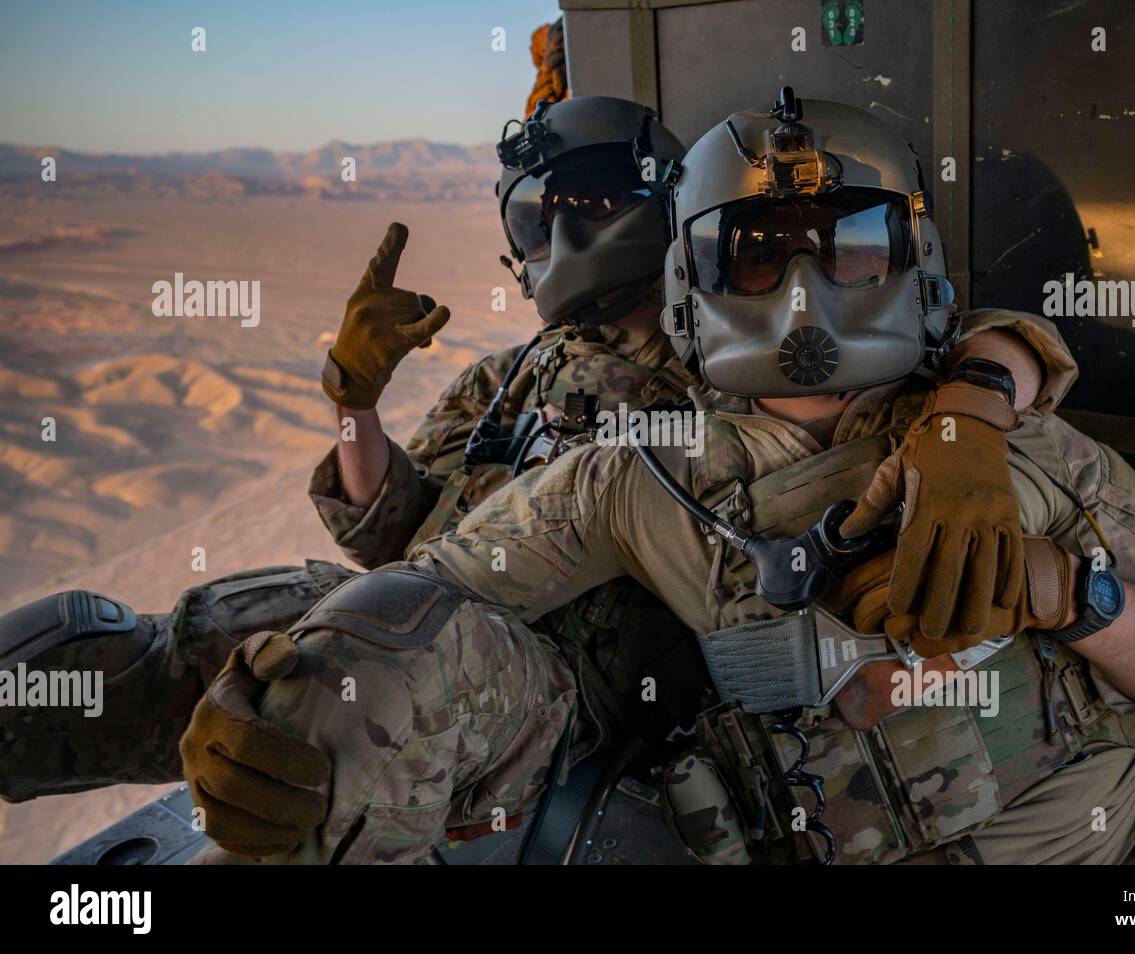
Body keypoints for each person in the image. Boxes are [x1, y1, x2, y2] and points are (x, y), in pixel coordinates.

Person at [176, 91, 1135, 866]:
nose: (804, 280)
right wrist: (320, 703)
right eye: (756, 248)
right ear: (690, 280)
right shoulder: (637, 480)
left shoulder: (1020, 448)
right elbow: (433, 592)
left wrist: (1073, 594)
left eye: (848, 243)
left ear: (912, 263)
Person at [0, 95, 1056, 815]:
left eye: (585, 210)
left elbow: (929, 331)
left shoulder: (727, 347)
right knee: (200, 637)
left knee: (316, 675)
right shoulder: (513, 374)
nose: (555, 240)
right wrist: (353, 405)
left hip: (585, 680)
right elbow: (390, 533)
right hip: (442, 617)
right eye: (538, 219)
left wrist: (969, 409)